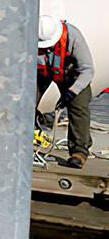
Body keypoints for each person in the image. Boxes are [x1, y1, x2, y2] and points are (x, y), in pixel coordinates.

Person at [36, 14, 95, 169]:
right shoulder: (32, 35)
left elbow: (87, 70)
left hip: (71, 75)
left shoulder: (74, 37)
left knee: (79, 107)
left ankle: (79, 151)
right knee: (25, 101)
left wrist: (72, 92)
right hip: (43, 71)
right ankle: (24, 139)